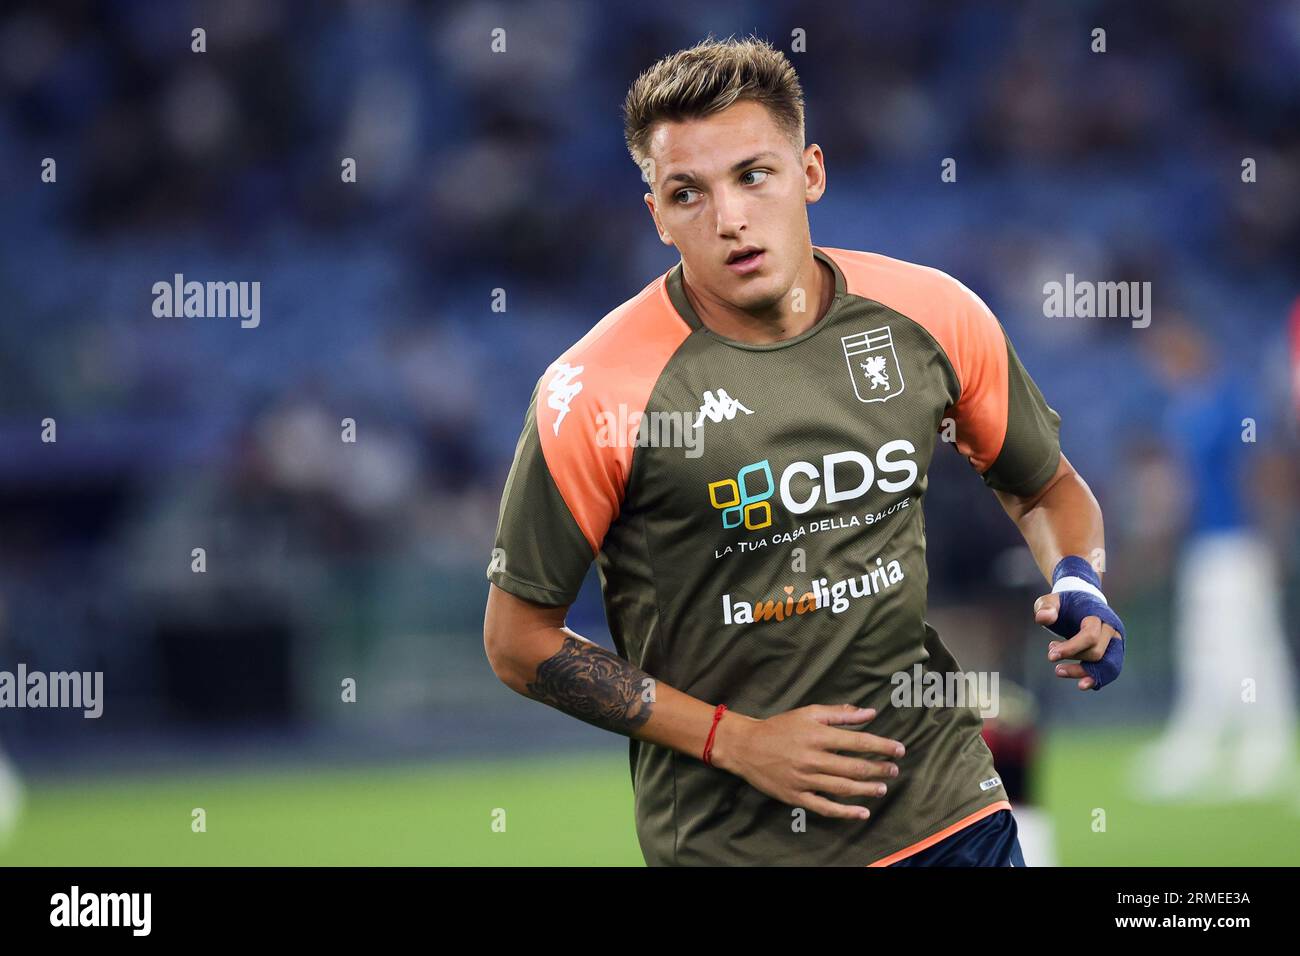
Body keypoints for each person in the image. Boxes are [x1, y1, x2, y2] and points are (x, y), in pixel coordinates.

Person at [482, 36, 1123, 865]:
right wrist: (734, 740)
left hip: (953, 818)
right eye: (688, 194)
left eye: (754, 175)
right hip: (735, 847)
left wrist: (1077, 576)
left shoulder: (931, 315)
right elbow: (518, 640)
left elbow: (1043, 487)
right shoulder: (594, 391)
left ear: (810, 172)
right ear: (657, 215)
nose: (729, 219)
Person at [1130, 316, 1296, 801]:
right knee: (1211, 648)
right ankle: (1210, 747)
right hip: (1205, 545)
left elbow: (1264, 469)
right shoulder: (1184, 410)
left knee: (1249, 649)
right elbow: (1183, 488)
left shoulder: (1228, 400)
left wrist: (1271, 539)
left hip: (1237, 543)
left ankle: (1261, 749)